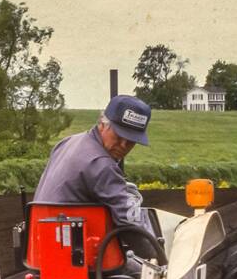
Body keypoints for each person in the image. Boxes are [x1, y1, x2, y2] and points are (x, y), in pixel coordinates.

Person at [32, 95, 154, 234]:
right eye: (119, 136)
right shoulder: (101, 164)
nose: (123, 146)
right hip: (67, 244)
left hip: (39, 236)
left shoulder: (68, 142)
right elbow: (132, 224)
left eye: (131, 141)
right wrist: (156, 252)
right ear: (102, 124)